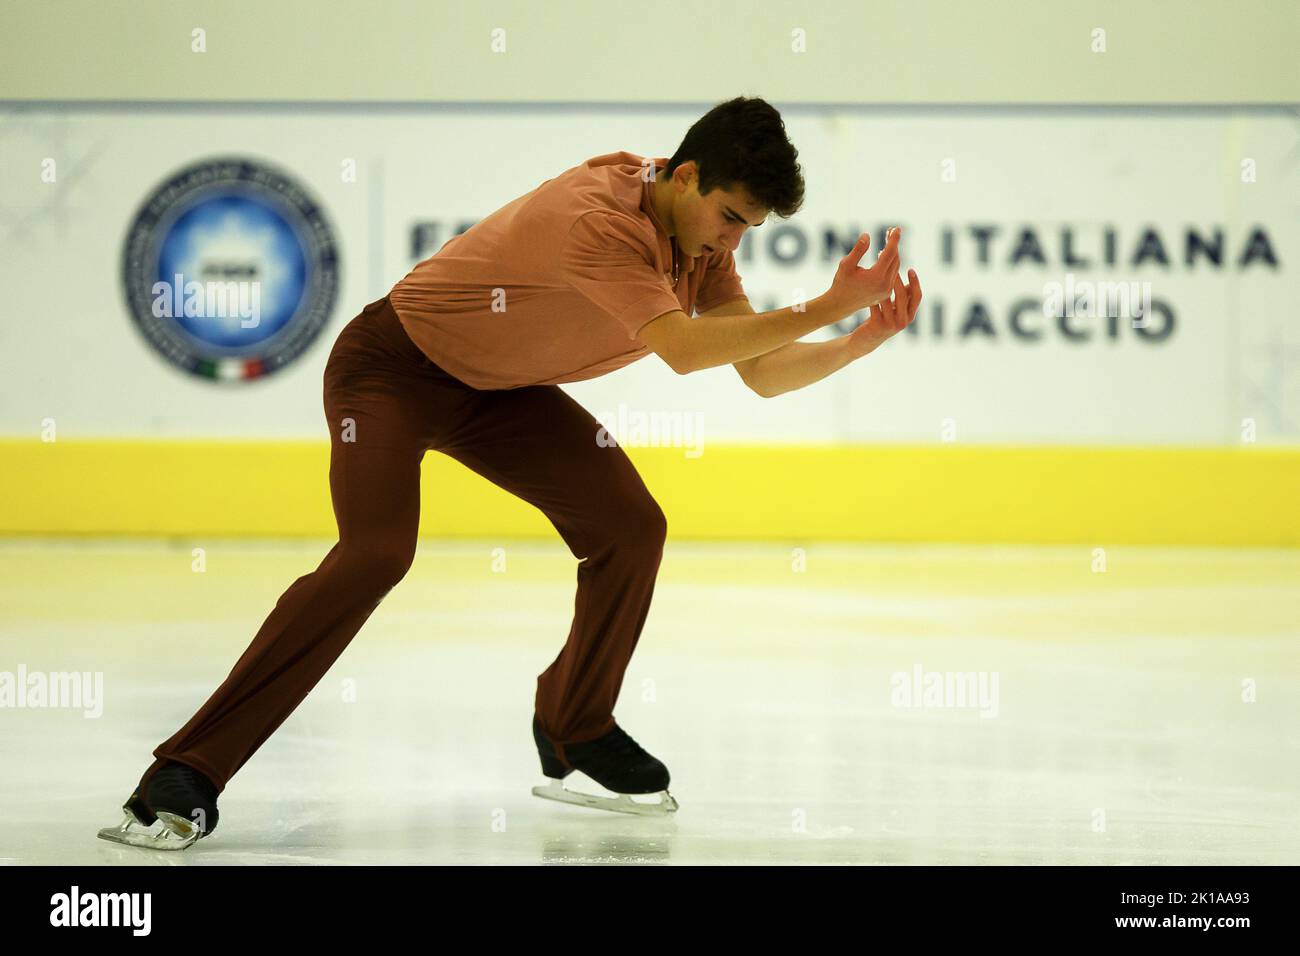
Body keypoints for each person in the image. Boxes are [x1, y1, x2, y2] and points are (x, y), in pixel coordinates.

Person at [97, 95, 921, 848]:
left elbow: (759, 371)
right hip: (392, 368)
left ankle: (574, 723)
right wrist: (822, 306)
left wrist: (857, 340)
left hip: (497, 393)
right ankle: (189, 768)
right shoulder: (594, 215)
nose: (732, 241)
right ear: (689, 175)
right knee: (377, 553)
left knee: (630, 528)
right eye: (731, 218)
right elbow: (682, 353)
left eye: (749, 230)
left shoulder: (697, 239)